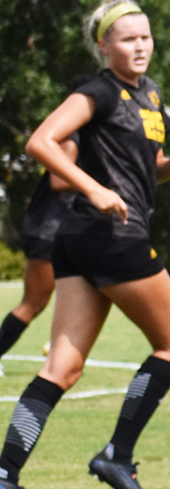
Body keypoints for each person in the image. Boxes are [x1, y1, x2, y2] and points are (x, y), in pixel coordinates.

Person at [3, 0, 170, 489]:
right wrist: (91, 189)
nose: (140, 46)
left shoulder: (151, 95)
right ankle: (118, 454)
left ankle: (4, 474)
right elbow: (41, 142)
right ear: (103, 45)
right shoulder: (97, 90)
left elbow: (140, 168)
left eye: (145, 37)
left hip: (81, 241)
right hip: (114, 236)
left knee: (63, 367)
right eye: (127, 38)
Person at [0, 140, 79, 373]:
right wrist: (103, 182)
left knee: (82, 293)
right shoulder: (73, 139)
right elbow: (59, 181)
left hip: (69, 230)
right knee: (33, 303)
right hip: (49, 230)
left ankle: (61, 351)